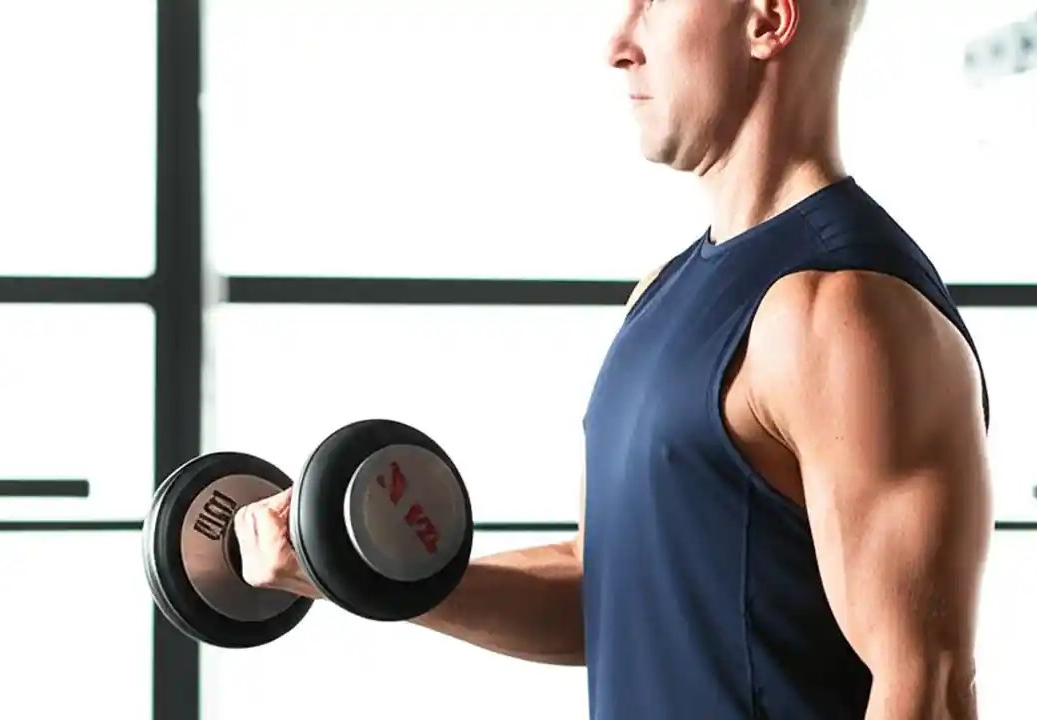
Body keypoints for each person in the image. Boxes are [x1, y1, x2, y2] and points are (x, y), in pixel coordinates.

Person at [233, 0, 993, 717]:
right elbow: (608, 594)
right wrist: (364, 573)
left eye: (656, 3)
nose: (618, 46)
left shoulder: (841, 311)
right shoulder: (660, 294)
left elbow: (926, 686)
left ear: (766, 19)